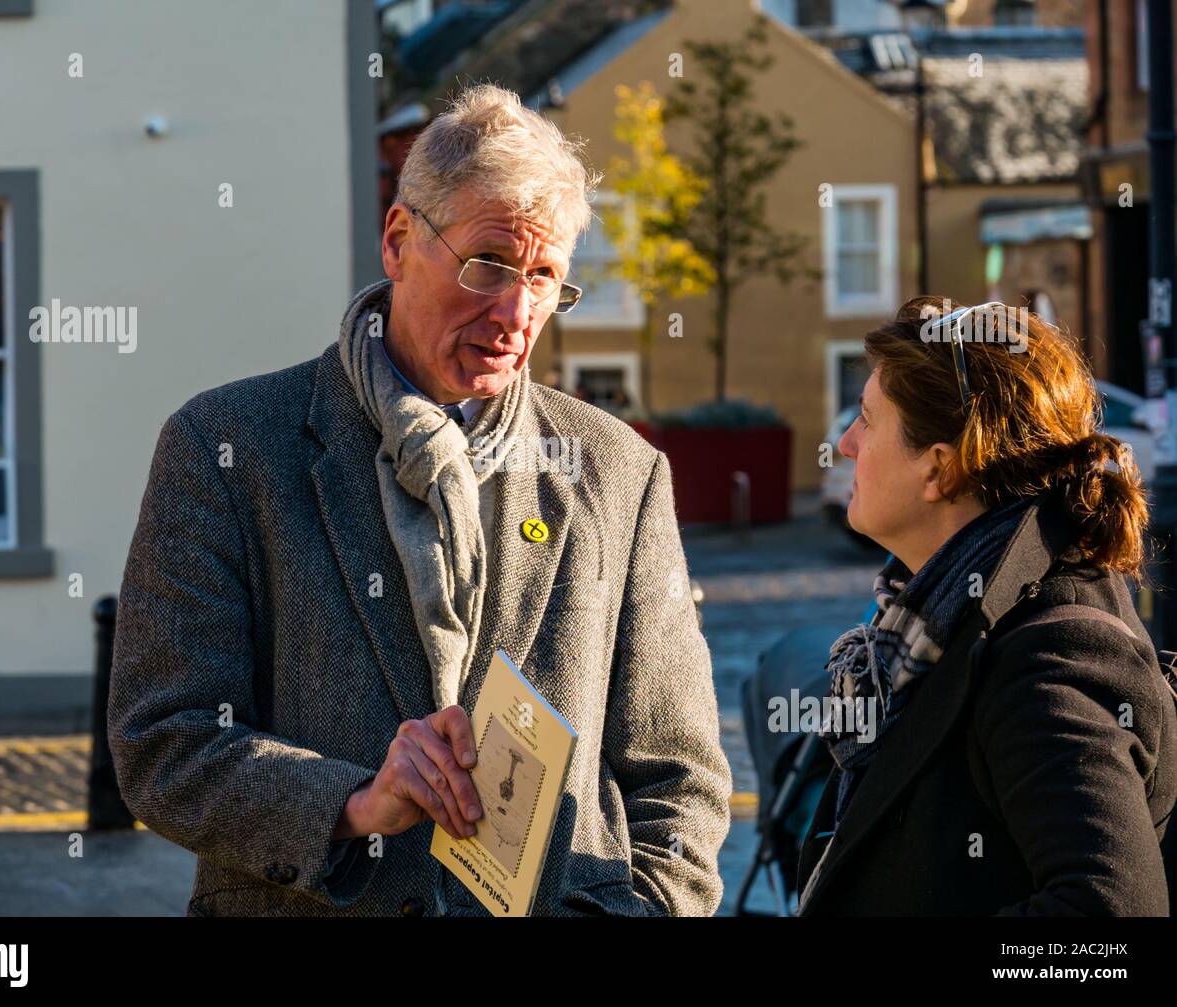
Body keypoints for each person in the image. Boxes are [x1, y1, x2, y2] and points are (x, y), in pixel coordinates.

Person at [108, 83, 732, 917]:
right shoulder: (225, 447)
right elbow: (164, 742)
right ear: (399, 240)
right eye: (489, 265)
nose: (516, 312)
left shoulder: (618, 472)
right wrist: (354, 800)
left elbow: (680, 779)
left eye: (545, 276)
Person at [796, 296, 1177, 916]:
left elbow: (1111, 921)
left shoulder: (1048, 653)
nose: (844, 444)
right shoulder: (935, 619)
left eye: (867, 420)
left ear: (939, 470)